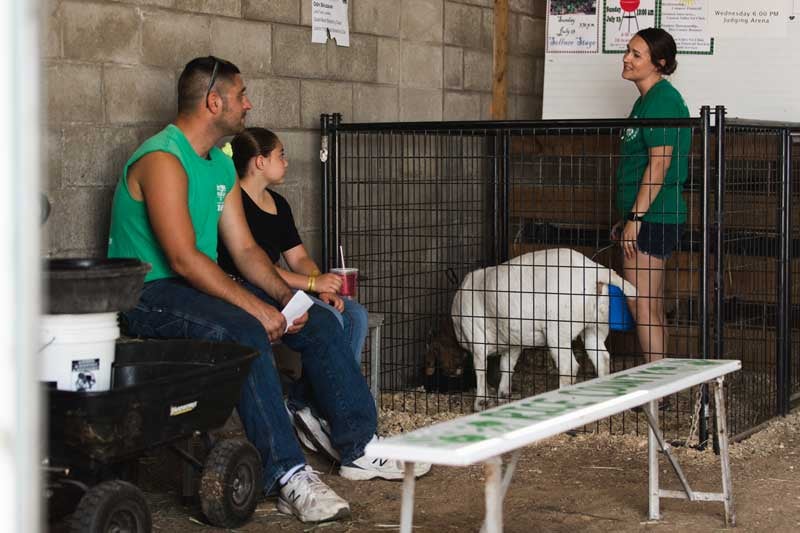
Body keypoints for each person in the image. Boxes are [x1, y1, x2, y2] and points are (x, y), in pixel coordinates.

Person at [107, 56, 429, 524]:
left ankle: (358, 448)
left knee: (317, 320)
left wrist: (284, 298)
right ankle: (287, 474)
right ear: (214, 101)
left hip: (195, 287)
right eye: (241, 96)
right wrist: (254, 310)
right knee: (245, 329)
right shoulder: (162, 158)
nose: (248, 104)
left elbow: (244, 249)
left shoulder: (218, 162)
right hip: (149, 294)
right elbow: (181, 259)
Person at [217, 126, 369, 461]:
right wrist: (313, 286)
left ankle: (307, 404)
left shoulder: (279, 205)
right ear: (259, 162)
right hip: (252, 288)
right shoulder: (233, 202)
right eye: (280, 155)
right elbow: (254, 267)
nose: (287, 161)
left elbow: (298, 257)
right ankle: (329, 414)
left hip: (284, 286)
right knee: (328, 319)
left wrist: (322, 282)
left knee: (354, 314)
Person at [614, 28, 690, 364]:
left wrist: (636, 218)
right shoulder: (645, 100)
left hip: (653, 216)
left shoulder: (663, 100)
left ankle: (656, 390)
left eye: (636, 55)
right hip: (647, 214)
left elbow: (659, 165)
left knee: (641, 303)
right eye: (628, 51)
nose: (627, 59)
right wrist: (628, 216)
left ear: (659, 63)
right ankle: (664, 385)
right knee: (649, 304)